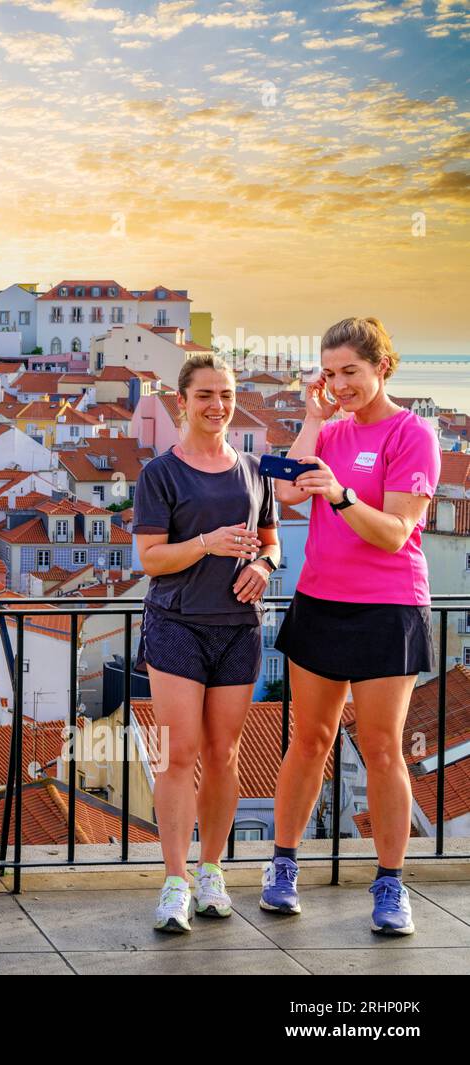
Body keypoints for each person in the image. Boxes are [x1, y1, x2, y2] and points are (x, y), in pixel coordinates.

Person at [266, 317, 439, 936]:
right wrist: (313, 419)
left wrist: (339, 497)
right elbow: (285, 497)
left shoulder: (413, 433)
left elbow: (394, 534)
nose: (339, 384)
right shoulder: (330, 430)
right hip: (319, 600)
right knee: (307, 741)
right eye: (330, 373)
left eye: (351, 373)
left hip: (387, 607)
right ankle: (283, 868)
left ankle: (391, 886)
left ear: (381, 367)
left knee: (382, 748)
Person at [134, 352, 280, 932]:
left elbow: (272, 542)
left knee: (224, 754)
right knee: (180, 754)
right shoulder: (160, 474)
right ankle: (175, 881)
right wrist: (207, 543)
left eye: (225, 394)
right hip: (176, 625)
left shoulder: (253, 470)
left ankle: (212, 870)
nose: (217, 405)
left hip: (239, 627)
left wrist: (266, 568)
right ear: (182, 403)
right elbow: (150, 558)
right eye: (205, 395)